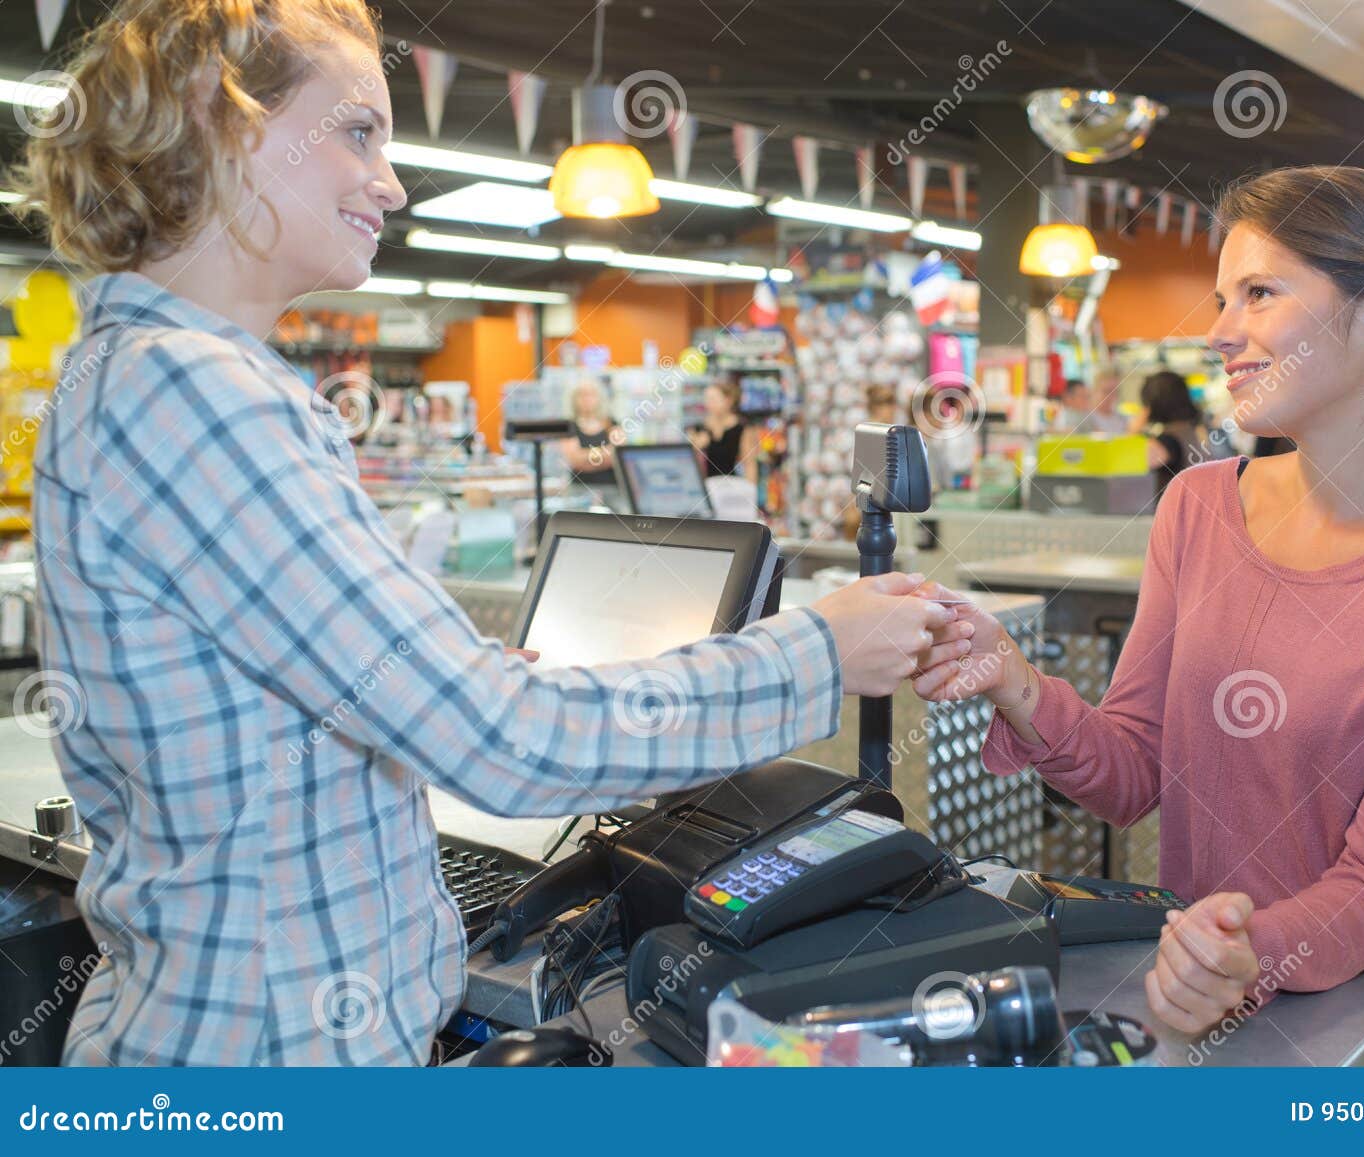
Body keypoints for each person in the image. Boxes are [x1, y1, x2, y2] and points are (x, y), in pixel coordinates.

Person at [15, 0, 961, 1066]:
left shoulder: (139, 375)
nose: (393, 180)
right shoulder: (198, 396)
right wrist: (822, 649)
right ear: (220, 116)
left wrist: (436, 684)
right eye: (360, 130)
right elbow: (507, 744)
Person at [911, 165, 1364, 1066]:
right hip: (1209, 1012)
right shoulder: (1200, 507)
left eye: (1259, 293)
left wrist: (1243, 949)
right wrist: (1014, 679)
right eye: (1223, 297)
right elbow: (1134, 767)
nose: (1218, 332)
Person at [1138, 369, 1212, 498]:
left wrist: (1134, 430)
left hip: (1175, 510)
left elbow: (1135, 461)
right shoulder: (1193, 429)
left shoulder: (1168, 440)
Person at [688, 379, 758, 484]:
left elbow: (750, 465)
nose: (708, 403)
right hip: (705, 486)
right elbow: (686, 463)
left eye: (713, 399)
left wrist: (750, 494)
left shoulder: (743, 428)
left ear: (728, 401)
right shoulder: (698, 428)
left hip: (732, 486)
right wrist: (696, 446)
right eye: (706, 399)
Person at [560, 379, 621, 490]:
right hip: (580, 488)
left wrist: (586, 457)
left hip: (612, 487)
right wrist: (605, 452)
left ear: (600, 398)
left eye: (592, 394)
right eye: (582, 395)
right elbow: (575, 461)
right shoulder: (568, 426)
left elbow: (618, 454)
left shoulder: (611, 423)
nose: (587, 399)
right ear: (574, 399)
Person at [1086, 369, 1130, 435]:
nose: (1111, 396)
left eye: (1115, 392)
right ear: (1094, 390)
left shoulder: (1123, 418)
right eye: (1107, 391)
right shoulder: (1086, 418)